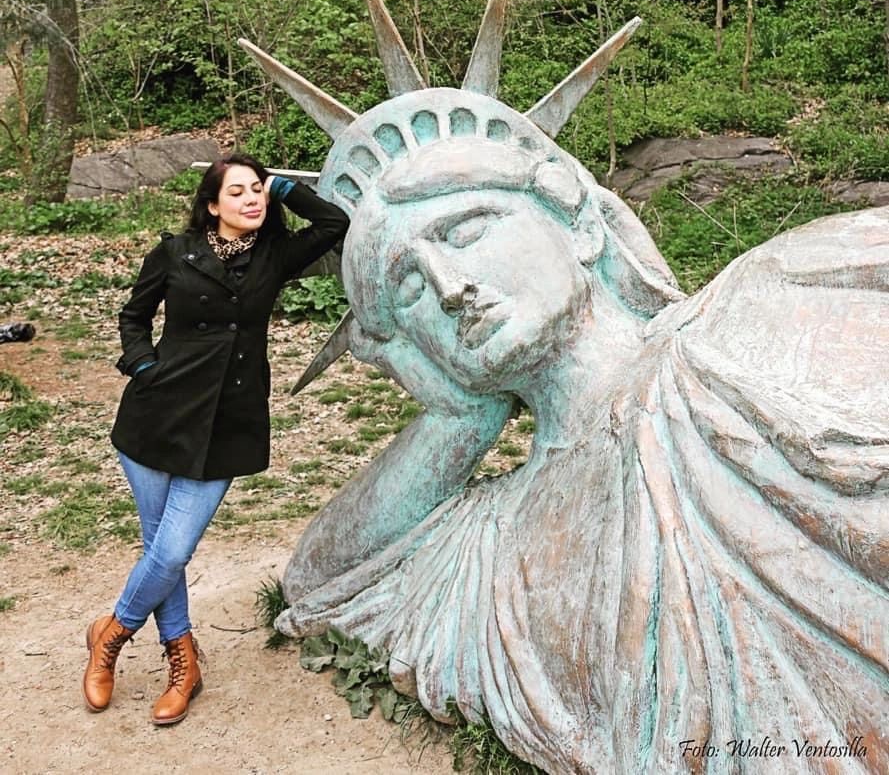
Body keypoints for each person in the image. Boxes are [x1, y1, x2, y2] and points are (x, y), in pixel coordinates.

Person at [271, 89, 888, 774]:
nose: (450, 288)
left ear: (579, 225)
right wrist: (456, 414)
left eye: (467, 231)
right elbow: (321, 578)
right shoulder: (487, 542)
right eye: (409, 289)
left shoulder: (766, 306)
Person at [83, 153, 348, 725]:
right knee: (163, 550)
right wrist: (143, 366)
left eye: (258, 190)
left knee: (172, 550)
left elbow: (332, 225)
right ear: (212, 206)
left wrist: (286, 187)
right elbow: (134, 317)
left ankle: (111, 635)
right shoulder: (174, 254)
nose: (253, 199)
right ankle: (184, 661)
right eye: (239, 192)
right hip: (157, 415)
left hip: (229, 420)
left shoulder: (275, 256)